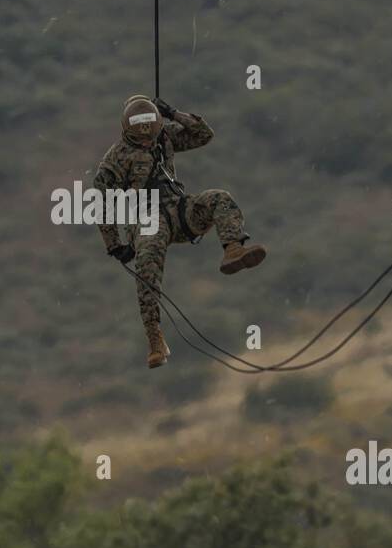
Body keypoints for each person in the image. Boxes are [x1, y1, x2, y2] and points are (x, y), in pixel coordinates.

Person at [93, 94, 267, 368]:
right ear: (128, 131)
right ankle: (154, 338)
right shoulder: (116, 158)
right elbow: (101, 199)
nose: (148, 139)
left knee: (218, 198)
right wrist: (114, 243)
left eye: (152, 131)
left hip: (178, 209)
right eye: (142, 136)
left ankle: (233, 249)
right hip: (147, 217)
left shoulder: (165, 137)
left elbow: (203, 135)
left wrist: (174, 113)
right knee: (147, 264)